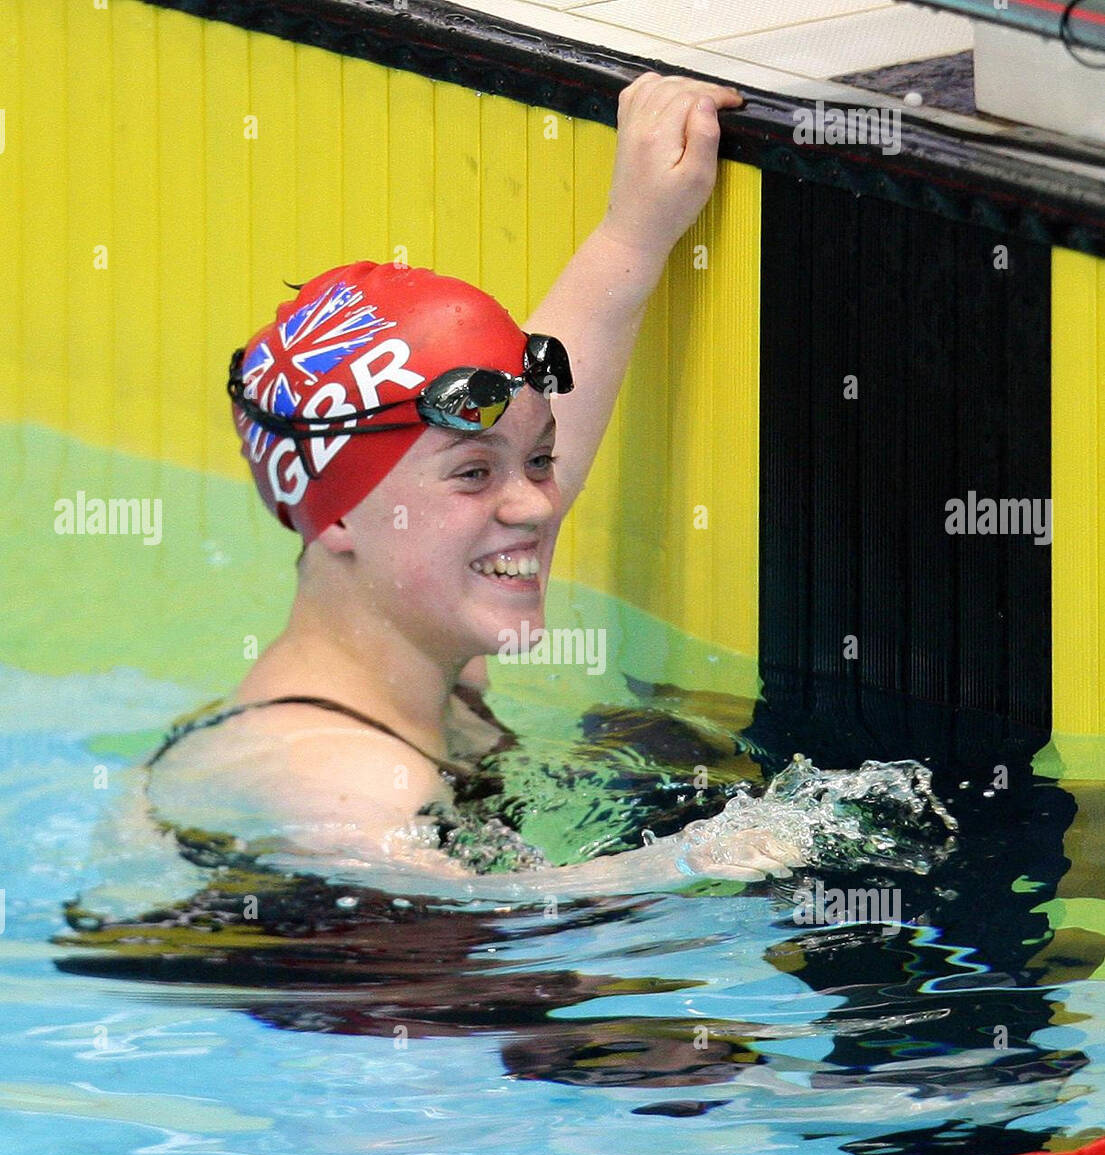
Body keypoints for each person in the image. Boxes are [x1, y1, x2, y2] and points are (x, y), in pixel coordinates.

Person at [146, 72, 804, 902]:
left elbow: (554, 401)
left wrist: (634, 230)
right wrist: (693, 859)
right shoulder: (346, 781)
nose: (536, 503)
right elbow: (488, 930)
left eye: (537, 460)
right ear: (342, 511)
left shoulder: (425, 653)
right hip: (307, 990)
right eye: (472, 473)